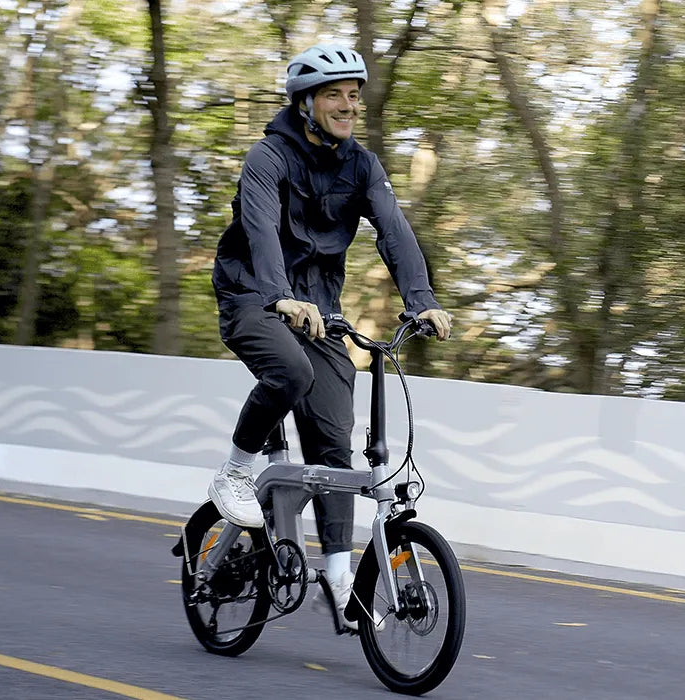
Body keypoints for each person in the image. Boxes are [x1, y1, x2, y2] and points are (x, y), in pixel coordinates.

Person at [209, 44, 452, 629]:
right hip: (252, 296)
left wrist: (422, 302)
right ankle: (236, 469)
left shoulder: (361, 166)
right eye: (334, 95)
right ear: (305, 102)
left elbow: (394, 231)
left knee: (335, 448)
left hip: (319, 311)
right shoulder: (267, 158)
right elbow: (262, 230)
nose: (347, 106)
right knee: (290, 373)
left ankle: (341, 581)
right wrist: (277, 294)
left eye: (353, 96)